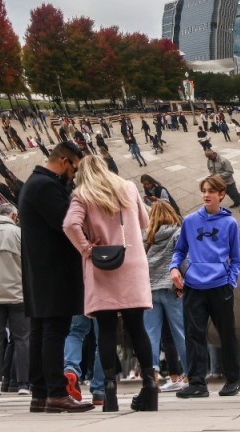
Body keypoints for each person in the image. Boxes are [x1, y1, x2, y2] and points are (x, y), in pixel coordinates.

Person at [63, 154, 157, 412]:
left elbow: (70, 224)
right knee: (137, 327)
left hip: (102, 266)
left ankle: (109, 390)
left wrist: (86, 249)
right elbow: (145, 222)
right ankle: (150, 387)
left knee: (105, 329)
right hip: (132, 262)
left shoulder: (83, 194)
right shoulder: (127, 186)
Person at [18, 141, 95, 414]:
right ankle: (56, 393)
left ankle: (40, 393)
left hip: (41, 272)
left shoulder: (34, 183)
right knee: (54, 331)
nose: (74, 174)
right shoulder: (47, 186)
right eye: (74, 167)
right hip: (53, 272)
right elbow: (67, 224)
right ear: (64, 161)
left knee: (42, 331)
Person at [170, 175, 240, 398]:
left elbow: (236, 259)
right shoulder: (190, 221)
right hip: (194, 285)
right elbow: (180, 250)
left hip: (220, 285)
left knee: (227, 334)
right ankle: (197, 384)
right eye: (203, 190)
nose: (206, 195)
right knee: (194, 334)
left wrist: (230, 281)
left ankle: (235, 379)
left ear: (221, 194)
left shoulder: (230, 223)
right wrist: (175, 268)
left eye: (211, 191)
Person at [0, 205, 30, 396]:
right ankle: (24, 383)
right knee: (22, 339)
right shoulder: (20, 234)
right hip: (18, 293)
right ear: (13, 215)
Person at [142, 200, 187, 393]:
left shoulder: (148, 236)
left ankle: (151, 373)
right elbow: (183, 259)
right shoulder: (177, 233)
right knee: (180, 332)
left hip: (150, 291)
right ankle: (190, 373)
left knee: (151, 334)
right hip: (172, 289)